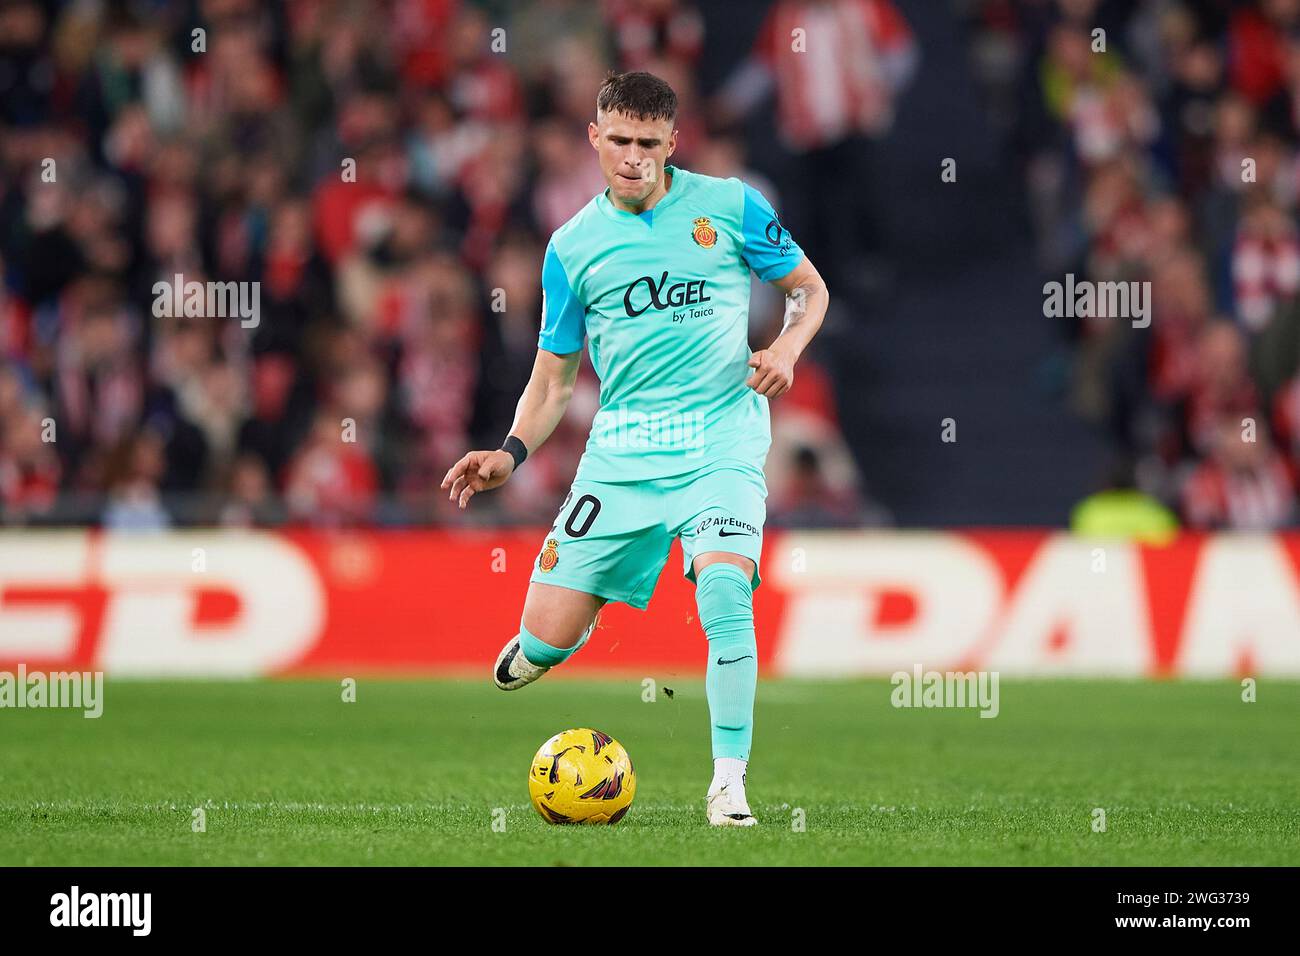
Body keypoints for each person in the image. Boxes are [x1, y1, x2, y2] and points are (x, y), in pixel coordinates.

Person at [441, 71, 829, 826]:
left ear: (673, 143)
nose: (633, 158)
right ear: (594, 138)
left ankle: (728, 785)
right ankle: (563, 630)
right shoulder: (571, 249)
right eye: (618, 140)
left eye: (649, 144)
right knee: (544, 639)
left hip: (722, 438)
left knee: (724, 591)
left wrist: (785, 347)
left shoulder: (731, 207)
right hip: (623, 454)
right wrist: (510, 452)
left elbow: (809, 290)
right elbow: (553, 382)